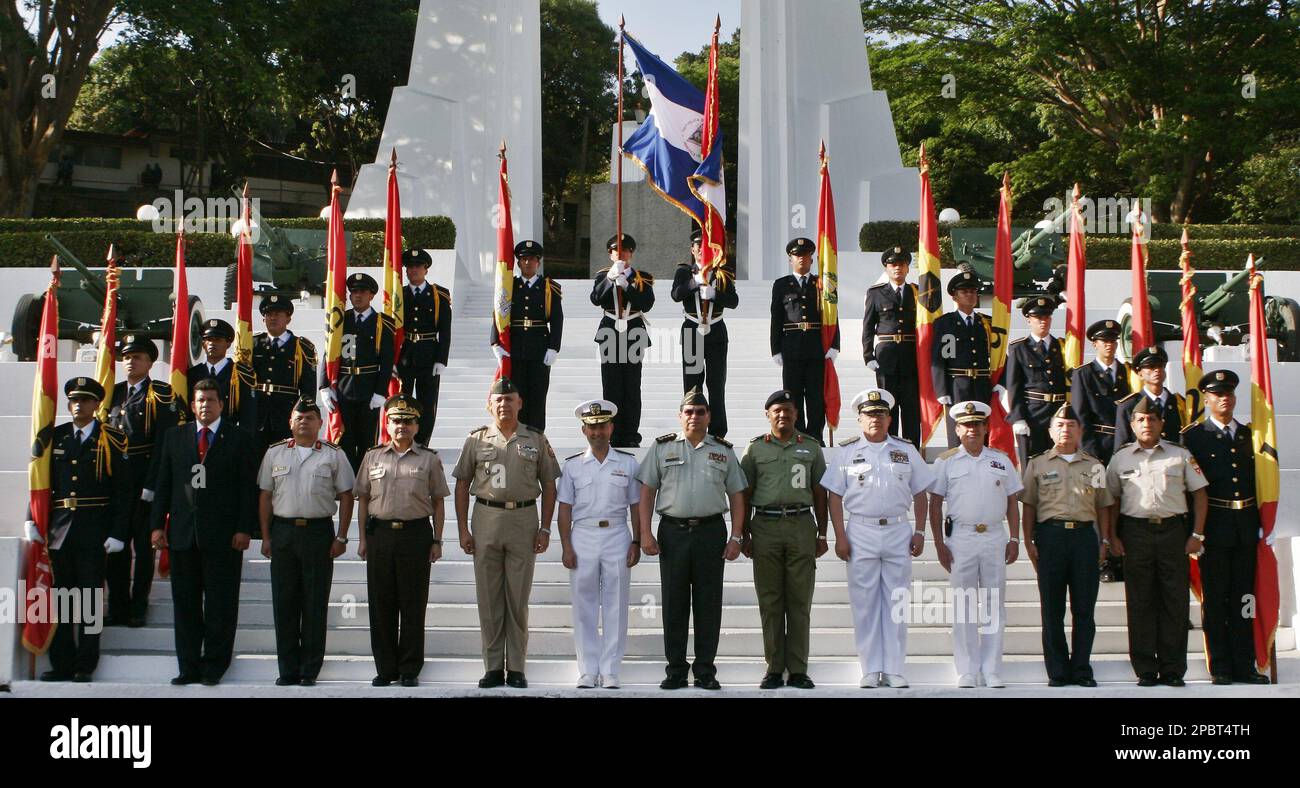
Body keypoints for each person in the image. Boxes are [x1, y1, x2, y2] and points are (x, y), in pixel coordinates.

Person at [821, 388, 934, 688]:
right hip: (861, 530)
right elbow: (834, 495)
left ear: (890, 418)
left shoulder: (906, 449)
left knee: (896, 601)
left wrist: (920, 531)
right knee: (866, 603)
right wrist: (840, 535)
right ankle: (870, 668)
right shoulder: (846, 452)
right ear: (859, 420)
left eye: (881, 414)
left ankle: (894, 668)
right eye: (870, 415)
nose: (876, 419)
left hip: (898, 530)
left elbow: (921, 491)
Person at [636, 388, 748, 690]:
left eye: (700, 411)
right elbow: (647, 491)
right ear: (680, 415)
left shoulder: (723, 450)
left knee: (708, 604)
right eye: (689, 411)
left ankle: (705, 671)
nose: (694, 416)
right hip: (672, 532)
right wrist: (645, 532)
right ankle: (675, 669)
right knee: (674, 603)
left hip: (711, 532)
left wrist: (736, 536)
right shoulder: (662, 448)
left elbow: (737, 494)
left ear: (709, 416)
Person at [453, 378, 561, 689]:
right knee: (488, 598)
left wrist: (545, 526)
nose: (504, 405)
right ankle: (491, 667)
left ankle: (516, 667)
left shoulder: (536, 439)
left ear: (520, 403)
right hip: (486, 516)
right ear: (490, 405)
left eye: (510, 399)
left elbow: (550, 484)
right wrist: (462, 529)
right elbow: (461, 484)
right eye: (499, 400)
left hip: (524, 518)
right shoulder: (476, 439)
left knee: (518, 598)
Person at [150, 379, 257, 686]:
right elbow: (164, 484)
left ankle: (214, 666)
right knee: (185, 605)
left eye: (211, 400)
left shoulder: (239, 438)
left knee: (221, 605)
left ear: (221, 404)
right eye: (200, 400)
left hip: (223, 536)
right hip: (183, 535)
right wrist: (158, 525)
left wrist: (243, 528)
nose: (205, 405)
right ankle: (188, 666)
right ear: (193, 405)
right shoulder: (175, 437)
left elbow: (246, 488)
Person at [28, 378, 131, 682]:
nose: (78, 405)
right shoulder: (55, 437)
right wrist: (31, 518)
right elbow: (40, 482)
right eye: (74, 400)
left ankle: (85, 664)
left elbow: (123, 492)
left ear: (97, 404)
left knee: (88, 598)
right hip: (59, 530)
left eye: (85, 400)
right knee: (62, 599)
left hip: (94, 529)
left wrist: (118, 532)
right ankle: (61, 663)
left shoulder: (111, 438)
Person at [1105, 396, 1208, 687]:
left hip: (1174, 531)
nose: (1146, 424)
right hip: (1135, 533)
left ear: (1162, 424)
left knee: (1174, 600)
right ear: (1132, 424)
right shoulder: (1121, 458)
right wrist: (1111, 536)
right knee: (1140, 601)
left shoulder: (1179, 454)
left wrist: (1197, 534)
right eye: (1140, 420)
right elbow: (1110, 500)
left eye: (1152, 419)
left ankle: (1173, 668)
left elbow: (1200, 493)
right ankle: (1146, 668)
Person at [1180, 370, 1271, 685]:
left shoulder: (1250, 436)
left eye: (1229, 394)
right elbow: (1189, 490)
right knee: (1216, 599)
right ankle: (1220, 665)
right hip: (1214, 528)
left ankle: (1245, 664)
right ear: (1206, 398)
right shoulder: (1193, 437)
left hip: (1246, 526)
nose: (1225, 399)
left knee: (1245, 599)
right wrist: (1195, 532)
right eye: (1218, 394)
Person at [257, 398, 355, 686]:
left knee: (314, 602)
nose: (304, 422)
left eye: (310, 417)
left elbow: (347, 495)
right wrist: (265, 536)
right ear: (290, 422)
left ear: (320, 423)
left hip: (317, 533)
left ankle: (309, 669)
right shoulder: (275, 453)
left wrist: (342, 536)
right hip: (284, 532)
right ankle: (287, 668)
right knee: (284, 602)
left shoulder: (333, 454)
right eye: (299, 417)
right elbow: (265, 495)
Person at [354, 395, 450, 687]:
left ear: (417, 426)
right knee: (381, 604)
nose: (402, 427)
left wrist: (437, 540)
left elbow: (438, 502)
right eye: (396, 421)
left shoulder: (429, 459)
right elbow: (363, 498)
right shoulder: (372, 456)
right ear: (387, 423)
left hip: (415, 535)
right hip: (380, 534)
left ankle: (409, 669)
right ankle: (385, 668)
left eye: (408, 421)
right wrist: (362, 539)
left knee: (412, 603)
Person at [928, 400, 1022, 688]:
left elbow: (1012, 501)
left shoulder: (1001, 459)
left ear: (985, 428)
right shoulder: (946, 462)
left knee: (995, 606)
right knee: (964, 606)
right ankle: (967, 669)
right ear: (957, 429)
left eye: (977, 425)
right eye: (966, 425)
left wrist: (1015, 537)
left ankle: (991, 669)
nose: (972, 430)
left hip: (994, 536)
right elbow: (935, 504)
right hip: (962, 538)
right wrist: (940, 544)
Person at [739, 389, 828, 689]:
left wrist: (823, 533)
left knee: (800, 601)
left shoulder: (812, 448)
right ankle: (775, 668)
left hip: (802, 524)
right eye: (776, 410)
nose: (782, 415)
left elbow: (820, 493)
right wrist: (744, 533)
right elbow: (745, 493)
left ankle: (799, 669)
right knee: (771, 600)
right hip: (765, 525)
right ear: (767, 415)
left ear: (796, 414)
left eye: (788, 410)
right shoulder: (754, 450)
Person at [1019, 405, 1113, 687]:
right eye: (1060, 425)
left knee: (1084, 609)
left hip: (1084, 538)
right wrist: (1028, 541)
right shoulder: (1037, 464)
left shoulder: (1094, 465)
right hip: (1051, 537)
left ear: (1080, 430)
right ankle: (1058, 671)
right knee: (1052, 608)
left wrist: (1104, 539)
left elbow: (1105, 506)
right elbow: (1030, 507)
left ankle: (1082, 668)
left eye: (1071, 425)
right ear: (1050, 431)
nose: (1065, 429)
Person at [556, 399, 642, 689]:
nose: (597, 432)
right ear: (584, 431)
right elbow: (565, 509)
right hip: (583, 535)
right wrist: (566, 545)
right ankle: (588, 669)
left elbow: (635, 505)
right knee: (584, 604)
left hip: (617, 533)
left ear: (611, 428)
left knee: (617, 604)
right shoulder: (573, 466)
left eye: (602, 426)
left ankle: (610, 669)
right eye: (592, 428)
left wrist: (637, 540)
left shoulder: (627, 463)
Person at [105, 335, 183, 628]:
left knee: (143, 546)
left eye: (137, 356)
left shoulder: (160, 394)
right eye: (126, 356)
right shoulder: (111, 393)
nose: (130, 361)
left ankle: (139, 606)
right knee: (117, 547)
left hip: (143, 479)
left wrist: (152, 485)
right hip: (115, 483)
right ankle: (117, 606)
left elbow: (164, 444)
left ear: (150, 362)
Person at [319, 272, 395, 472]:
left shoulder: (382, 323)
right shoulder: (340, 321)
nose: (357, 296)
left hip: (369, 388)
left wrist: (381, 392)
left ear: (371, 295)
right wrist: (324, 386)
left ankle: (365, 482)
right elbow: (328, 353)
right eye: (353, 292)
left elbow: (387, 361)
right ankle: (345, 483)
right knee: (345, 438)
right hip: (343, 387)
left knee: (367, 439)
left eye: (362, 292)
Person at [770, 237, 839, 443]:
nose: (802, 259)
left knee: (816, 395)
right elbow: (776, 318)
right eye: (797, 256)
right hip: (791, 346)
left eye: (806, 255)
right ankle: (797, 435)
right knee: (793, 395)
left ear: (812, 259)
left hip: (816, 346)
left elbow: (832, 315)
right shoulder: (781, 284)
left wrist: (834, 344)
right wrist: (775, 348)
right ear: (790, 259)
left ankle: (815, 436)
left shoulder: (822, 283)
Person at [671, 227, 739, 439]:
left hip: (717, 332)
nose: (703, 249)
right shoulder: (684, 272)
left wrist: (715, 293)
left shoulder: (722, 273)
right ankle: (692, 428)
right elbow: (675, 294)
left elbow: (733, 301)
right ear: (693, 249)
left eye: (707, 245)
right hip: (692, 331)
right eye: (698, 246)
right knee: (692, 384)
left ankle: (718, 431)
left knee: (717, 384)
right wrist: (694, 283)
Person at [591, 233, 655, 447]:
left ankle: (630, 434)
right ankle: (612, 433)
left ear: (631, 253)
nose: (622, 254)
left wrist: (627, 285)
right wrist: (610, 280)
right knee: (611, 385)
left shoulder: (642, 277)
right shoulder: (602, 276)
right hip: (610, 331)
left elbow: (646, 303)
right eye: (617, 251)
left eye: (626, 250)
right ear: (610, 254)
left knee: (631, 385)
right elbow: (596, 299)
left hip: (633, 332)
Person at [491, 240, 562, 432]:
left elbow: (556, 319)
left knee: (538, 396)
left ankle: (537, 437)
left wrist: (554, 347)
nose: (527, 263)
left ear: (538, 262)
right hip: (515, 348)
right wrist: (495, 342)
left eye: (531, 259)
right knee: (516, 396)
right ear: (518, 262)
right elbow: (498, 313)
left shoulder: (549, 287)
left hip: (539, 347)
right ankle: (517, 435)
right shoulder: (510, 286)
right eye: (523, 259)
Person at [930, 269, 995, 447]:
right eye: (964, 292)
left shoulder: (987, 323)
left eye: (973, 291)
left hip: (982, 384)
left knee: (982, 431)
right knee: (958, 432)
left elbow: (997, 354)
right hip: (957, 384)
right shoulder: (946, 323)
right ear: (954, 296)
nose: (970, 295)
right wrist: (942, 390)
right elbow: (941, 358)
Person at [862, 247, 920, 444]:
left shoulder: (918, 292)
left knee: (911, 408)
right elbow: (868, 326)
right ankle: (891, 447)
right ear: (886, 268)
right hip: (886, 358)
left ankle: (912, 449)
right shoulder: (876, 293)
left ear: (907, 268)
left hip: (912, 356)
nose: (898, 268)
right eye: (893, 265)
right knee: (889, 406)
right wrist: (868, 356)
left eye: (902, 264)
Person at [1005, 296, 1069, 466]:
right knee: (1032, 466)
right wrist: (1018, 417)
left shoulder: (1062, 346)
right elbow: (1014, 385)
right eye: (1038, 318)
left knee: (1059, 464)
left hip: (1058, 413)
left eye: (1047, 317)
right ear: (1029, 320)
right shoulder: (1018, 348)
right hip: (1032, 413)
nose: (1043, 321)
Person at [398, 248, 452, 443]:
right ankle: (403, 442)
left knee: (427, 405)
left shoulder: (439, 295)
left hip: (428, 354)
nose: (413, 270)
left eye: (417, 267)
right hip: (404, 355)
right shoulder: (399, 295)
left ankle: (422, 444)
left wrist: (441, 359)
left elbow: (445, 331)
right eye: (409, 267)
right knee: (402, 403)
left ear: (425, 269)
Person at [252, 295, 317, 453]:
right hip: (257, 414)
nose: (273, 318)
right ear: (263, 319)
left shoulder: (302, 347)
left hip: (285, 413)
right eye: (269, 314)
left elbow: (308, 388)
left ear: (288, 319)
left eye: (278, 314)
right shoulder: (253, 343)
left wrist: (303, 416)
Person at [1070, 319, 1130, 466]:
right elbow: (1080, 415)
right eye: (1104, 341)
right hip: (1098, 443)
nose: (1109, 345)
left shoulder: (1128, 371)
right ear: (1095, 344)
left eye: (1112, 340)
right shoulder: (1084, 373)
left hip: (1124, 443)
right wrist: (1090, 452)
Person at [1113, 345, 1185, 452]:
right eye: (1151, 367)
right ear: (1140, 374)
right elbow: (1122, 447)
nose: (1156, 370)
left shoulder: (1180, 403)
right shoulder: (1128, 405)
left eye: (1160, 366)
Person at [188, 318, 256, 429]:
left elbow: (248, 416)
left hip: (230, 438)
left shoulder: (242, 375)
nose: (212, 343)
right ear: (203, 343)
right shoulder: (193, 374)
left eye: (217, 340)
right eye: (208, 339)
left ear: (228, 344)